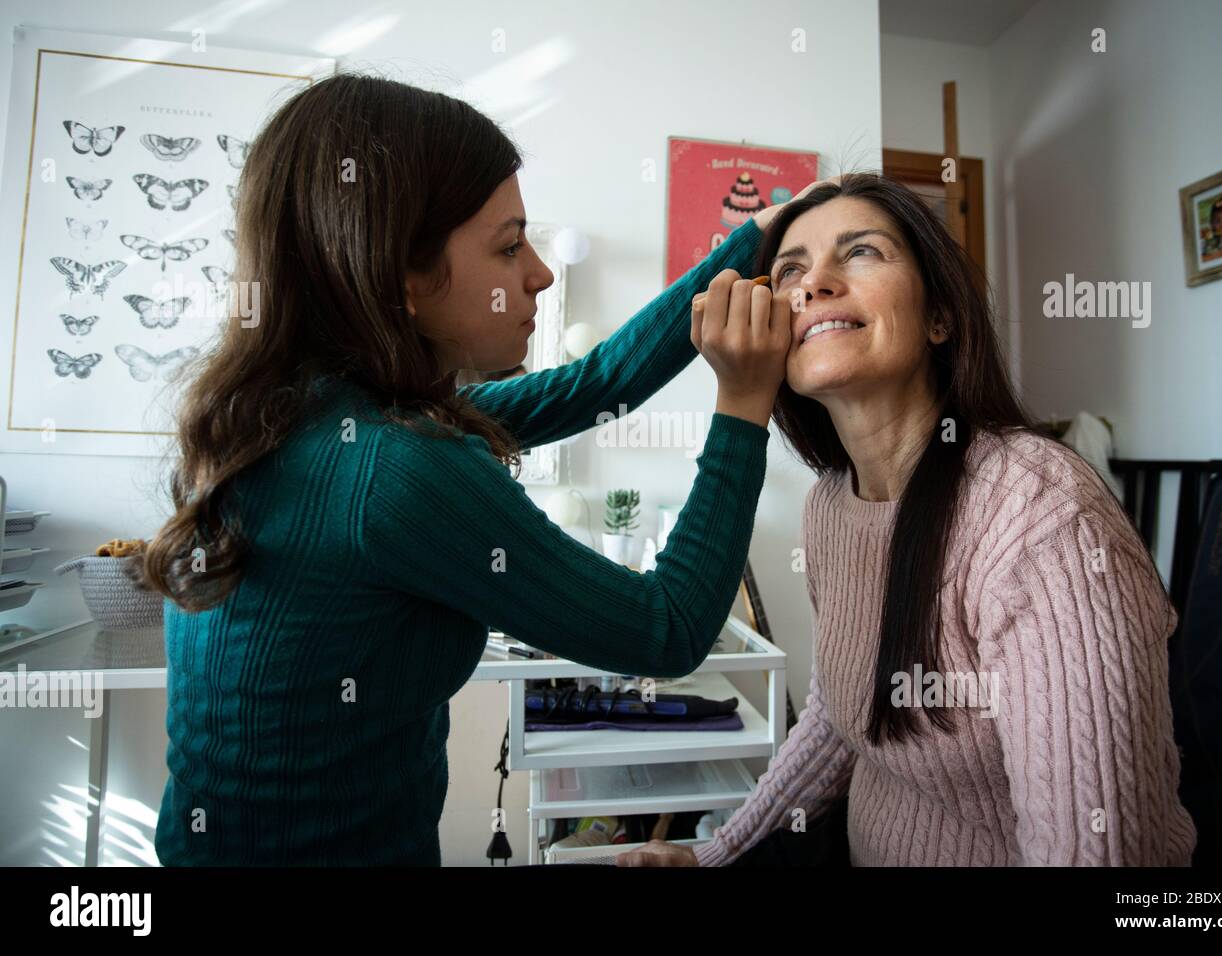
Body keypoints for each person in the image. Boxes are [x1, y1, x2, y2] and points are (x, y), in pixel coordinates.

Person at [140, 73, 811, 865]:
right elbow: (667, 628)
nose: (541, 272)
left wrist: (757, 236)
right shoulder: (396, 470)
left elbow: (598, 384)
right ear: (404, 277)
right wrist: (742, 401)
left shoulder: (290, 415)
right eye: (507, 244)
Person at [620, 173, 1196, 867]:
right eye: (790, 270)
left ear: (939, 318)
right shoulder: (830, 506)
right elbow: (839, 718)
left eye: (860, 252)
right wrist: (717, 854)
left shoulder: (1041, 513)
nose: (813, 284)